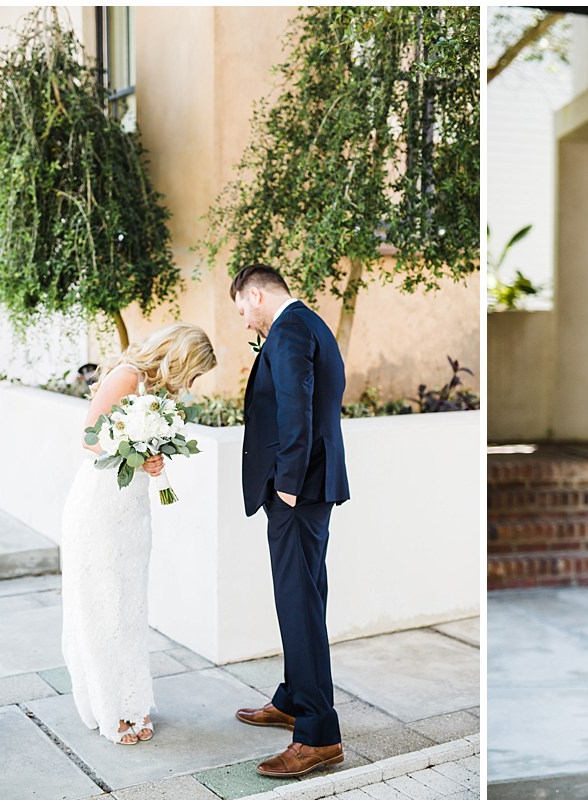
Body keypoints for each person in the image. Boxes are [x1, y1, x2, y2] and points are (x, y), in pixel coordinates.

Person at [60, 323, 217, 745]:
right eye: (195, 372)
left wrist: (151, 460)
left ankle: (133, 702)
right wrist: (134, 450)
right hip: (99, 503)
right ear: (180, 357)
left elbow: (144, 446)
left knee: (130, 606)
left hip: (132, 507)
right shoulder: (127, 375)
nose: (192, 382)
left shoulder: (160, 392)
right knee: (104, 603)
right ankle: (111, 710)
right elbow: (90, 438)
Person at [229, 264, 351, 778]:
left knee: (298, 602)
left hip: (298, 491)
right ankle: (295, 699)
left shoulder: (291, 329)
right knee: (301, 596)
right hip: (307, 487)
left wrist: (288, 483)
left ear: (256, 295)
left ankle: (318, 734)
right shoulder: (308, 323)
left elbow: (296, 408)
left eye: (242, 310)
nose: (245, 323)